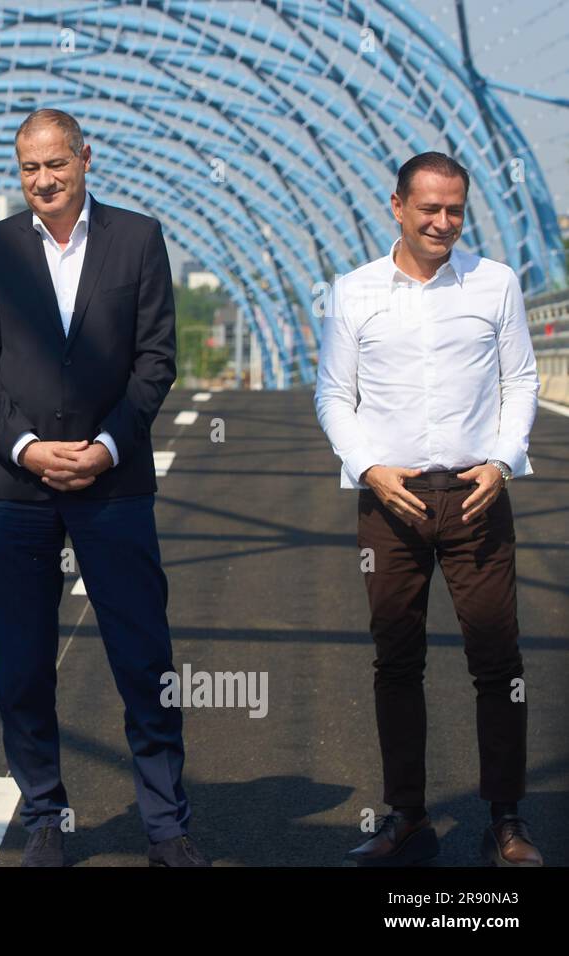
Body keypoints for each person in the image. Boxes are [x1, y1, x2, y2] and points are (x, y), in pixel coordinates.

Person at [0, 109, 207, 867]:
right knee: (22, 662)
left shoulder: (138, 238)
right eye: (30, 168)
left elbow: (155, 359)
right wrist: (27, 448)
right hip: (17, 485)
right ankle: (44, 818)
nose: (44, 181)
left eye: (56, 165)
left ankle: (166, 825)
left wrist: (103, 447)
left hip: (113, 482)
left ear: (86, 159)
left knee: (142, 654)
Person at [315, 151, 543, 867]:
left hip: (476, 495)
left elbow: (521, 378)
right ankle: (405, 814)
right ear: (397, 206)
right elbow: (332, 394)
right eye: (429, 209)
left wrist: (503, 461)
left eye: (455, 210)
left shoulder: (494, 284)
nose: (443, 222)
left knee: (497, 658)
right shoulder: (354, 293)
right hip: (392, 500)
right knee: (396, 659)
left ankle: (506, 817)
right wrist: (370, 470)